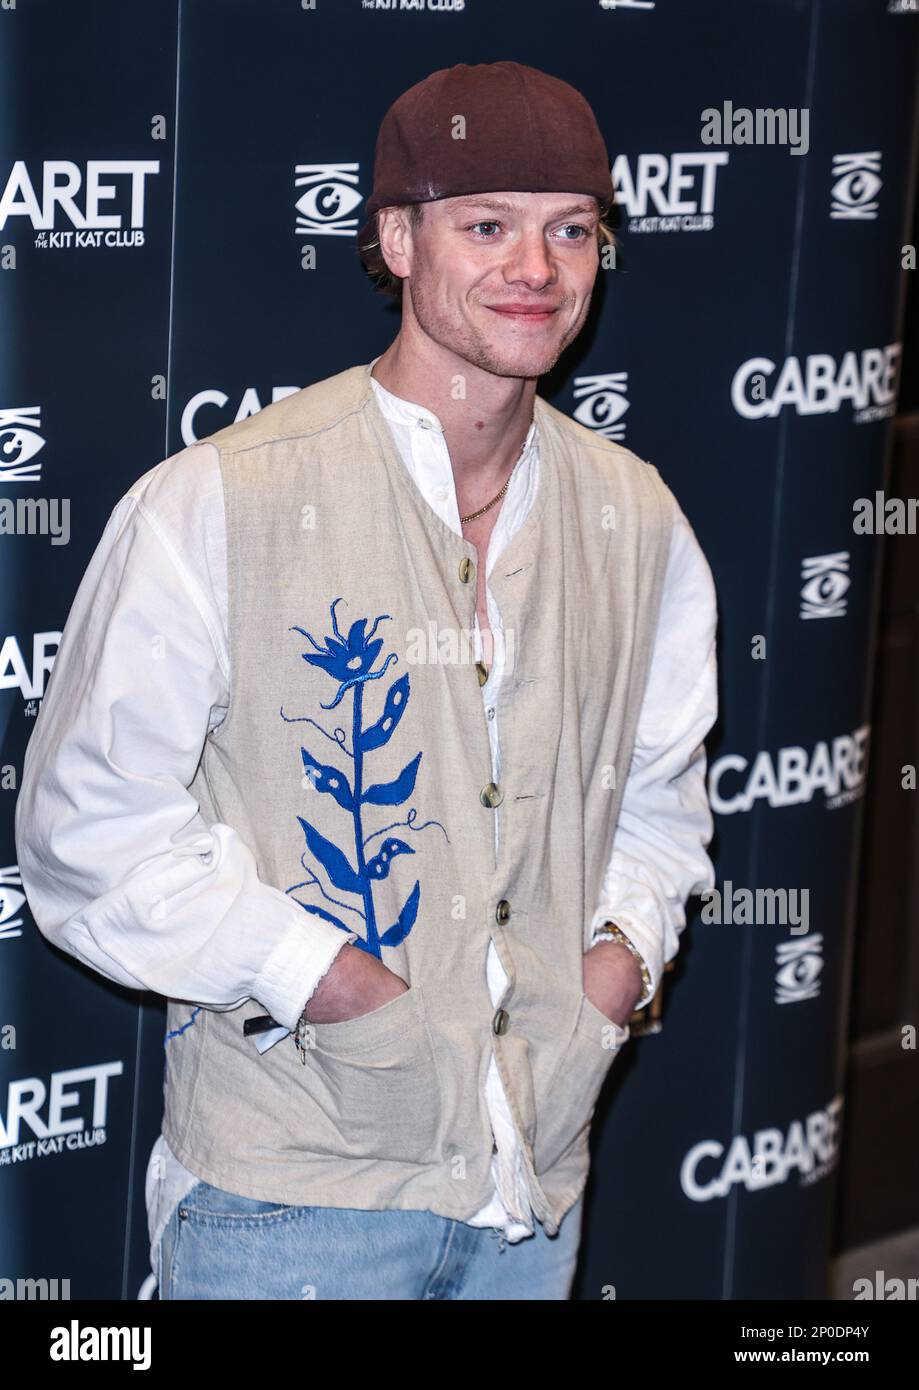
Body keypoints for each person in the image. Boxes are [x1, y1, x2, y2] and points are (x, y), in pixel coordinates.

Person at [15, 60, 718, 1300]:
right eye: (487, 226)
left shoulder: (638, 517)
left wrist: (613, 972)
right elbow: (90, 834)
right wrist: (331, 986)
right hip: (288, 1204)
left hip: (535, 1192)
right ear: (396, 239)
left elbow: (659, 803)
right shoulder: (219, 500)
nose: (536, 271)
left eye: (571, 233)